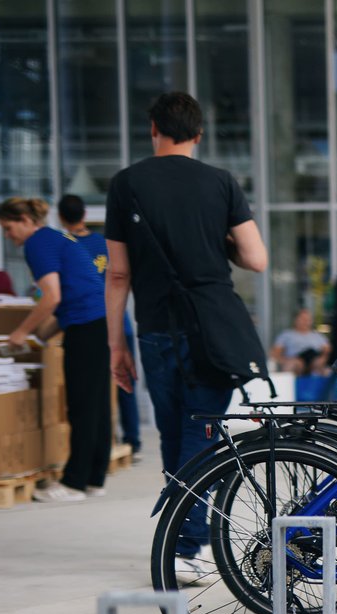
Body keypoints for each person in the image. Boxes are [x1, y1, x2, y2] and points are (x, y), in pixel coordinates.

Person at [104, 91, 267, 582]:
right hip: (210, 330)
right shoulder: (220, 183)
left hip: (155, 328)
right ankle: (187, 546)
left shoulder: (125, 184)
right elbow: (256, 259)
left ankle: (184, 540)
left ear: (154, 128)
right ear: (198, 135)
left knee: (176, 436)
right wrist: (217, 246)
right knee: (201, 434)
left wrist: (117, 346)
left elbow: (117, 275)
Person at [0, 197, 111, 502]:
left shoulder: (37, 243)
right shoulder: (57, 238)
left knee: (82, 405)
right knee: (96, 405)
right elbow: (72, 297)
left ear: (23, 219)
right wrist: (41, 337)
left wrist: (20, 333)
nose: (9, 236)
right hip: (98, 323)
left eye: (8, 228)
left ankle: (73, 484)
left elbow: (52, 298)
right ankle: (94, 479)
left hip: (86, 327)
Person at [59, 193, 141, 461]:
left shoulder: (65, 246)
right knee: (125, 384)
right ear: (84, 215)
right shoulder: (105, 244)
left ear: (61, 218)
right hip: (120, 323)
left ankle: (100, 447)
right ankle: (132, 441)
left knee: (93, 392)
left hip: (90, 326)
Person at [271, 308, 331, 374]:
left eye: (308, 319)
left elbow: (327, 350)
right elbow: (275, 353)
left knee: (328, 371)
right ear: (296, 320)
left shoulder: (318, 336)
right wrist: (287, 361)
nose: (305, 321)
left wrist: (322, 359)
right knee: (291, 365)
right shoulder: (286, 335)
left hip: (314, 363)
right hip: (295, 362)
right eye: (302, 319)